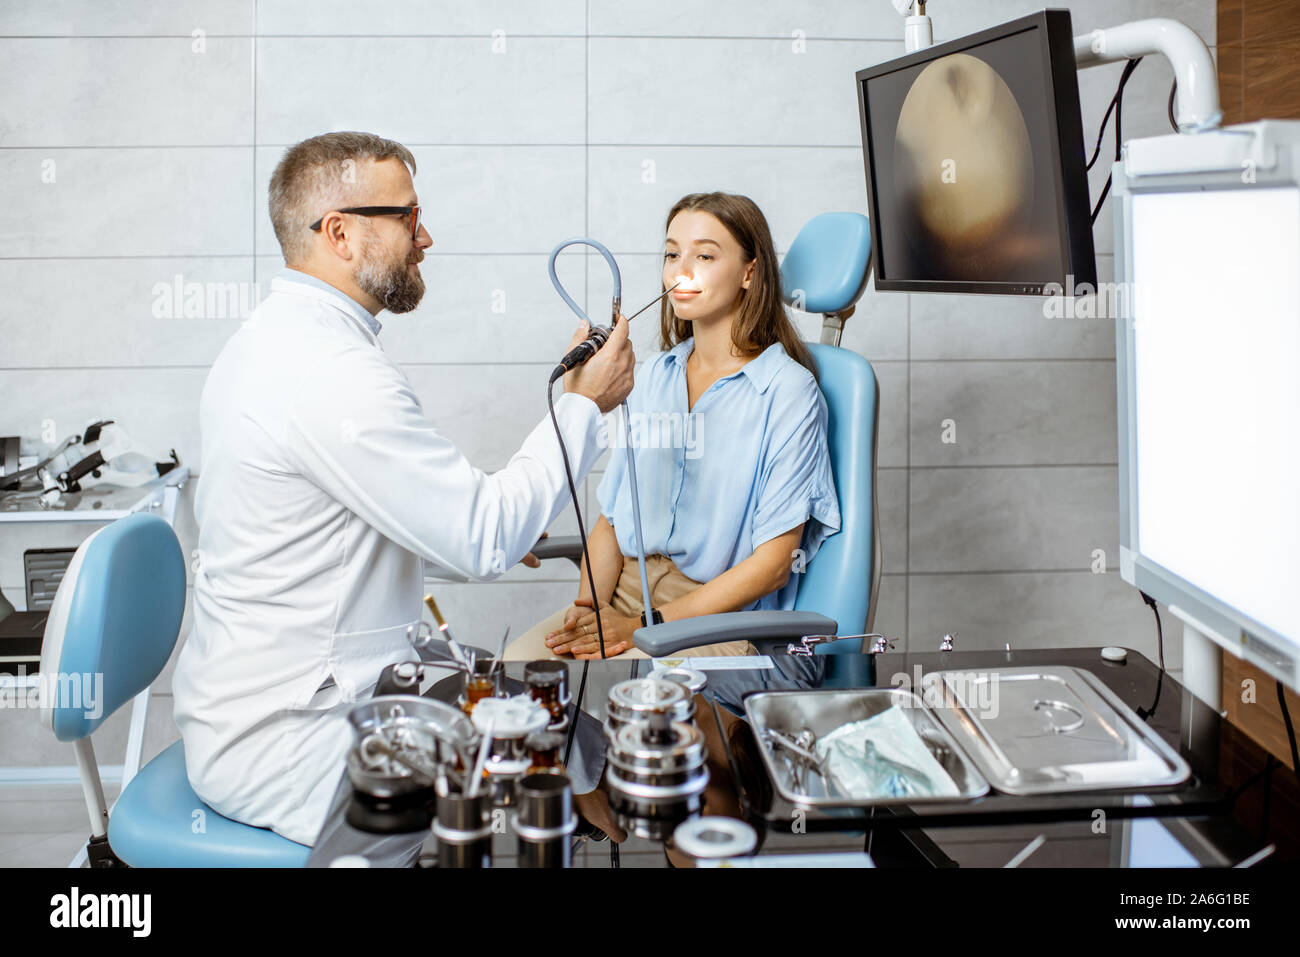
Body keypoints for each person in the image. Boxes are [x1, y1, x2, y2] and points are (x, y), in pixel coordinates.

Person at [171, 132, 635, 846]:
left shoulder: (282, 339)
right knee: (559, 748)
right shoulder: (327, 371)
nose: (427, 237)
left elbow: (355, 521)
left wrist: (492, 529)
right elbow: (481, 536)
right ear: (341, 234)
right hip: (288, 739)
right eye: (408, 217)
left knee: (570, 732)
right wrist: (582, 405)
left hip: (274, 703)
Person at [506, 192, 840, 661]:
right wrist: (590, 611)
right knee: (519, 682)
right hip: (623, 594)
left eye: (704, 255)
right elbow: (612, 523)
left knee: (645, 713)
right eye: (672, 254)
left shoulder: (787, 392)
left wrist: (643, 627)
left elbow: (771, 568)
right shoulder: (652, 377)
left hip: (715, 618)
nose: (681, 270)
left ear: (749, 271)